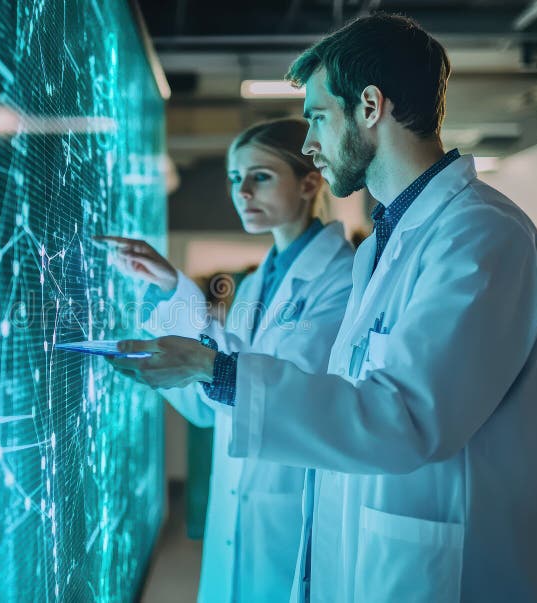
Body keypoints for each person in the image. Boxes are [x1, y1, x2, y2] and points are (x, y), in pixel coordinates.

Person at [109, 13, 537, 603]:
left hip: (450, 572)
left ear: (370, 107)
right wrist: (203, 359)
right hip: (369, 557)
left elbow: (404, 416)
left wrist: (215, 369)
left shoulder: (480, 235)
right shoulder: (383, 246)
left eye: (318, 117)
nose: (308, 143)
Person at [99, 118, 354, 602]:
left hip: (292, 506)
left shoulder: (339, 279)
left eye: (260, 176)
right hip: (240, 505)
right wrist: (169, 292)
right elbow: (214, 403)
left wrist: (200, 364)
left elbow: (294, 398)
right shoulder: (258, 283)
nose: (242, 191)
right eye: (235, 179)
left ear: (309, 182)